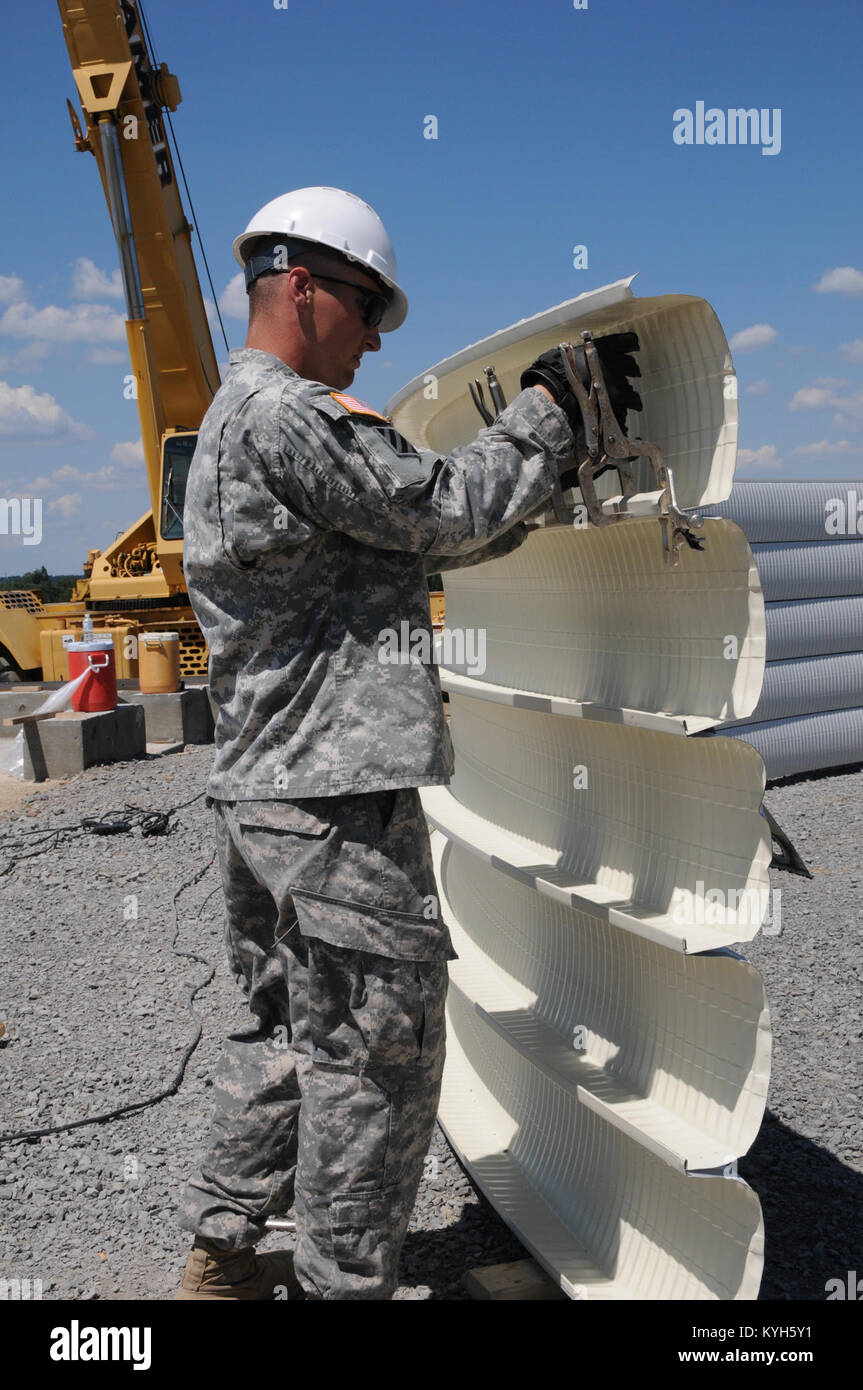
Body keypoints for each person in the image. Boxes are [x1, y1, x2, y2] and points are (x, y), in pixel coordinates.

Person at [175, 186, 641, 1300]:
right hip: (337, 803)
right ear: (301, 287)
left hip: (265, 795)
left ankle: (223, 1255)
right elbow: (439, 511)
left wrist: (527, 481)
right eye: (367, 303)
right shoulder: (289, 416)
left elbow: (415, 539)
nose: (378, 332)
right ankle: (345, 1287)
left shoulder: (228, 422)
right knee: (373, 1063)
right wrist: (546, 411)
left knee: (286, 1033)